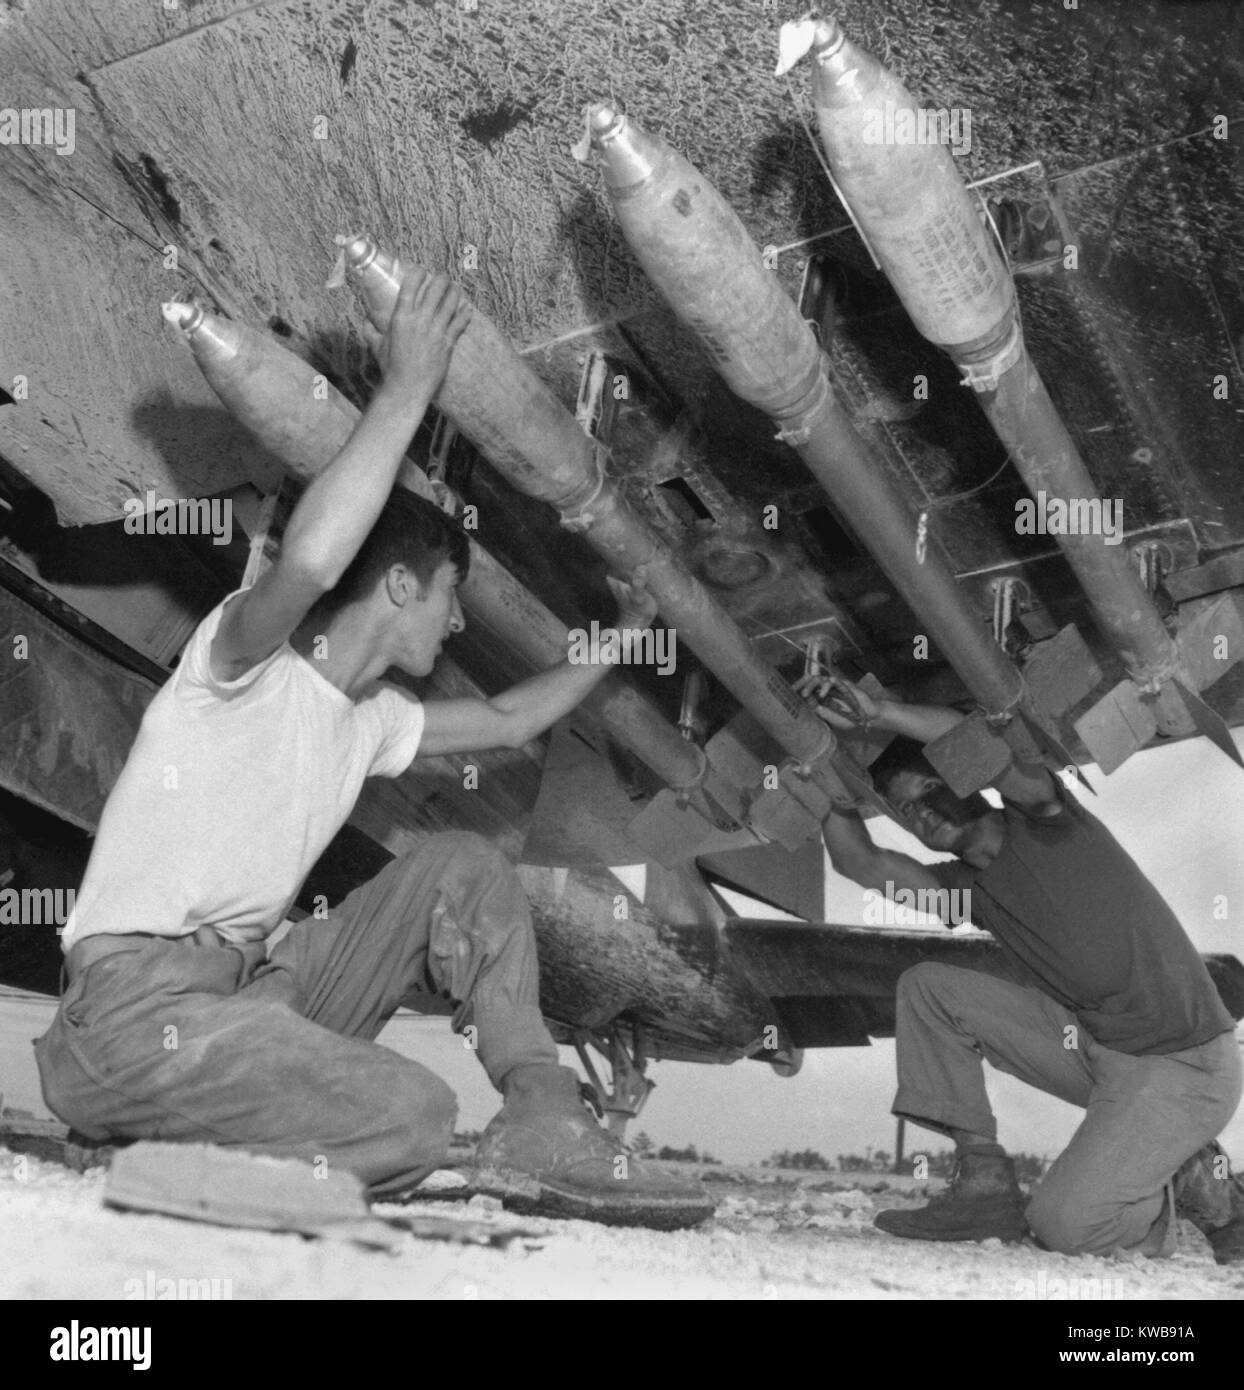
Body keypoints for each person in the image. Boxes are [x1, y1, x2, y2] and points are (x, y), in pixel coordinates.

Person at [36, 269, 712, 1230]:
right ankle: (151, 1164)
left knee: (465, 867)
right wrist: (406, 389)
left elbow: (514, 721)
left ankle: (543, 1118)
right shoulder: (236, 668)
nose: (453, 623)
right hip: (136, 1016)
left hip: (250, 999)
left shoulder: (368, 722)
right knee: (410, 1117)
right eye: (448, 595)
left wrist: (626, 630)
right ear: (400, 587)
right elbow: (308, 562)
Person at [796, 671, 1243, 1262]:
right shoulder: (965, 890)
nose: (921, 814)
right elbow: (861, 863)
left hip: (1183, 1067)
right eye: (905, 811)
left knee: (1064, 1227)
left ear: (961, 781)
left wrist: (881, 711)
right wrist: (818, 764)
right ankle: (983, 1182)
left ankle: (1195, 1180)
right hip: (1094, 1049)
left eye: (930, 791)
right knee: (929, 989)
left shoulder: (1047, 820)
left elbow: (982, 749)